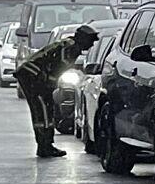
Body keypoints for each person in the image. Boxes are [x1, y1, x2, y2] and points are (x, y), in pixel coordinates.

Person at [13, 23, 98, 158]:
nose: (92, 45)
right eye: (91, 41)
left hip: (32, 75)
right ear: (83, 39)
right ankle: (44, 146)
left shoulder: (68, 44)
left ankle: (46, 144)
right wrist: (49, 85)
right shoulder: (72, 48)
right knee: (42, 111)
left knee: (45, 109)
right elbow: (58, 68)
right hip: (33, 76)